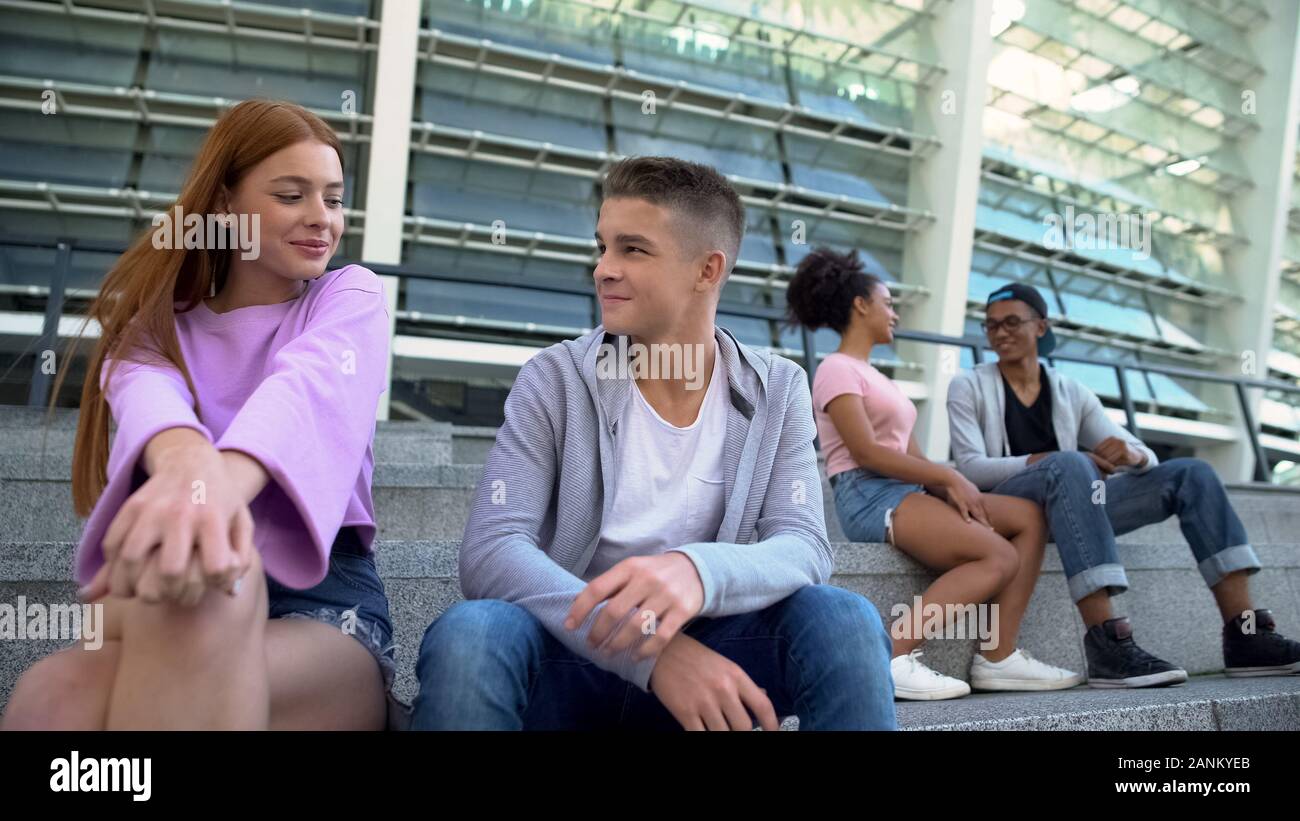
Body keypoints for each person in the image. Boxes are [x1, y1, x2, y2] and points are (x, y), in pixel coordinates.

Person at [410, 157, 896, 730]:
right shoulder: (554, 377)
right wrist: (651, 650)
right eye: (603, 246)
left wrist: (697, 571)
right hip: (573, 652)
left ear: (707, 270)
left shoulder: (778, 387)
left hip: (716, 661)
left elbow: (806, 545)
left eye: (632, 250)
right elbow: (492, 551)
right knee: (473, 633)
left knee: (844, 617)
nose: (602, 270)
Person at [1, 100, 397, 730]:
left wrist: (209, 492)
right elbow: (155, 410)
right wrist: (191, 473)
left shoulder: (350, 298)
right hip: (170, 573)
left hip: (323, 606)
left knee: (204, 585)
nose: (321, 219)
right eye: (292, 195)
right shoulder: (152, 332)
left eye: (334, 198)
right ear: (223, 208)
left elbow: (307, 389)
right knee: (48, 699)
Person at [947, 282, 1300, 687]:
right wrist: (1050, 460)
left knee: (1192, 474)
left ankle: (1246, 637)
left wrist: (1131, 455)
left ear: (1041, 327)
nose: (1000, 333)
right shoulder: (967, 385)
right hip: (1010, 511)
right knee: (1071, 464)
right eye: (991, 326)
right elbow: (971, 469)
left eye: (1011, 322)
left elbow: (1138, 449)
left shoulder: (1070, 390)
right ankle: (1108, 643)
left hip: (1078, 507)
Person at [787, 248, 1081, 700]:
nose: (895, 314)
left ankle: (998, 656)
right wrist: (949, 479)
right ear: (860, 306)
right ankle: (892, 653)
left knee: (1027, 517)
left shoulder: (875, 375)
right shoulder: (834, 369)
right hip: (868, 494)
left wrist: (942, 484)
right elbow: (865, 452)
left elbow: (913, 455)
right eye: (887, 303)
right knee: (998, 557)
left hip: (904, 490)